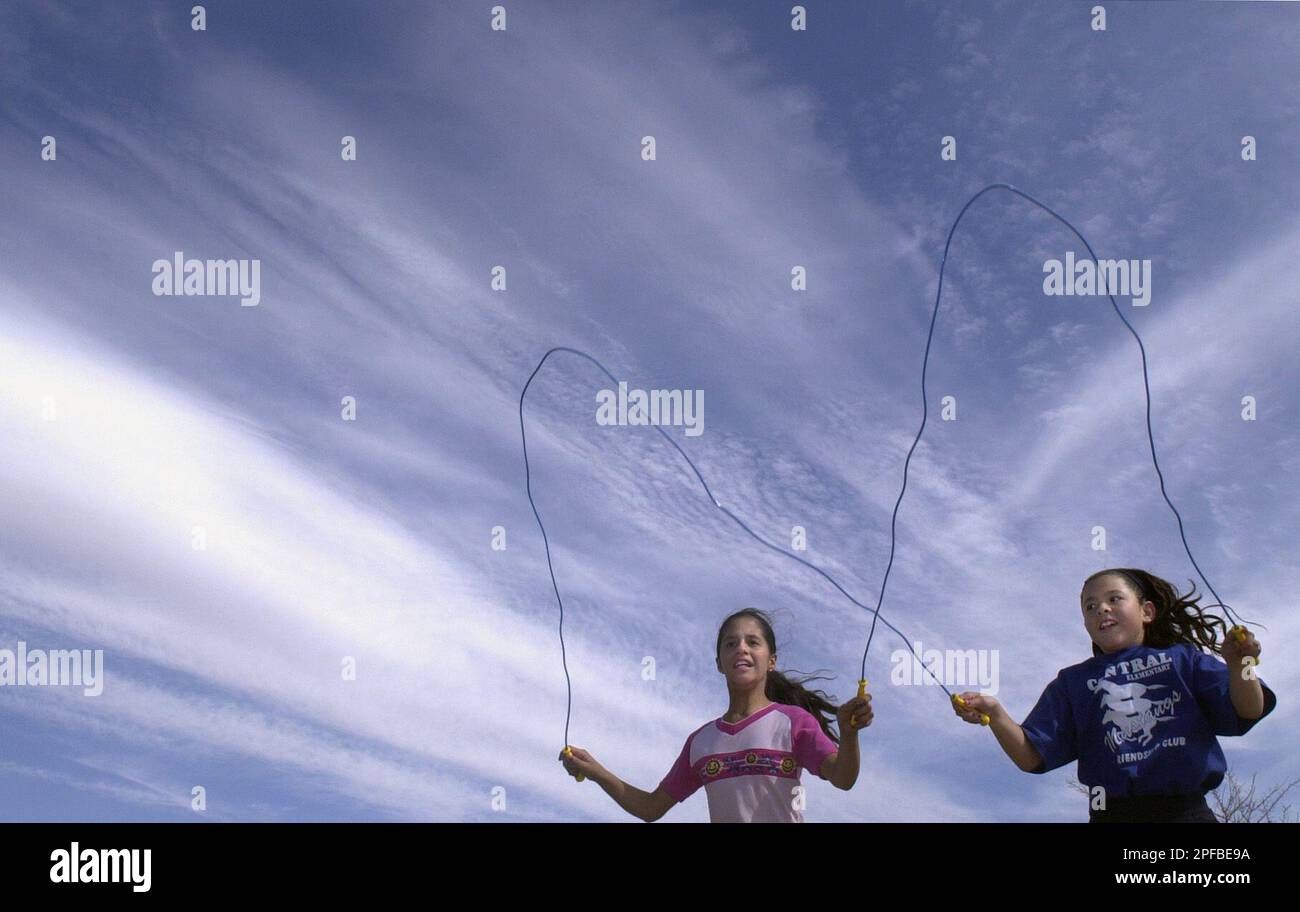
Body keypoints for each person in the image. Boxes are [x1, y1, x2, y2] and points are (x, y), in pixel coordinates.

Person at [953, 567, 1276, 822]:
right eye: (1090, 606)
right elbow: (1031, 756)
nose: (1101, 609)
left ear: (1147, 611)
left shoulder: (1183, 659)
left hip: (1186, 813)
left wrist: (1240, 665)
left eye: (1114, 599)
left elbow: (1248, 709)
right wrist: (995, 715)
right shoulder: (1072, 682)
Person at [559, 607, 871, 821]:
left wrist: (849, 733)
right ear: (719, 662)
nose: (742, 649)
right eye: (731, 643)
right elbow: (651, 808)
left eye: (753, 642)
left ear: (771, 660)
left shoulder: (793, 723)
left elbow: (843, 778)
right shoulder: (701, 742)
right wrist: (596, 771)